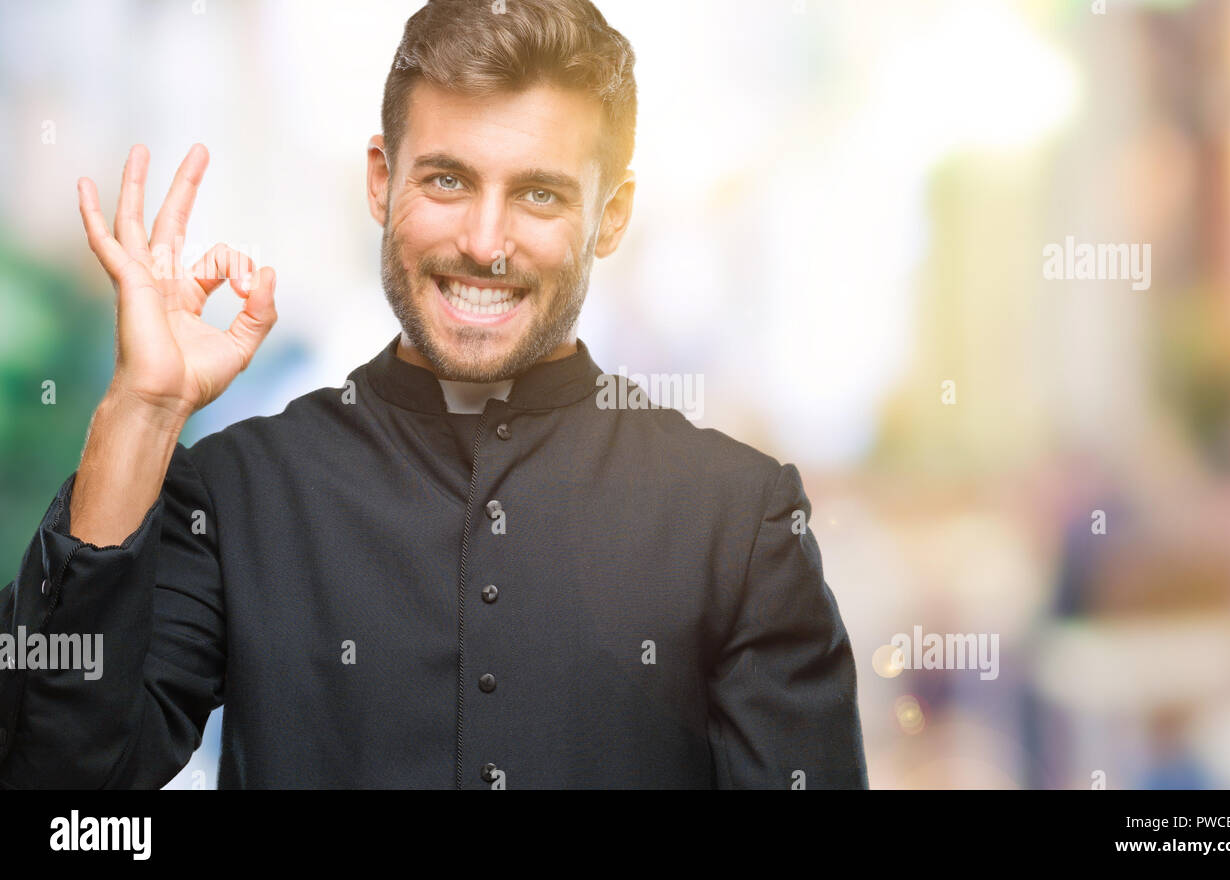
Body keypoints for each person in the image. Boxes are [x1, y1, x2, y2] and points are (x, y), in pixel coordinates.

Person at [0, 0, 868, 789]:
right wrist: (141, 410)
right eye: (448, 180)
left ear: (610, 216)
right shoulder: (235, 496)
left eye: (538, 193)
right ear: (381, 180)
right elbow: (58, 782)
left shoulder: (739, 521)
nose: (485, 242)